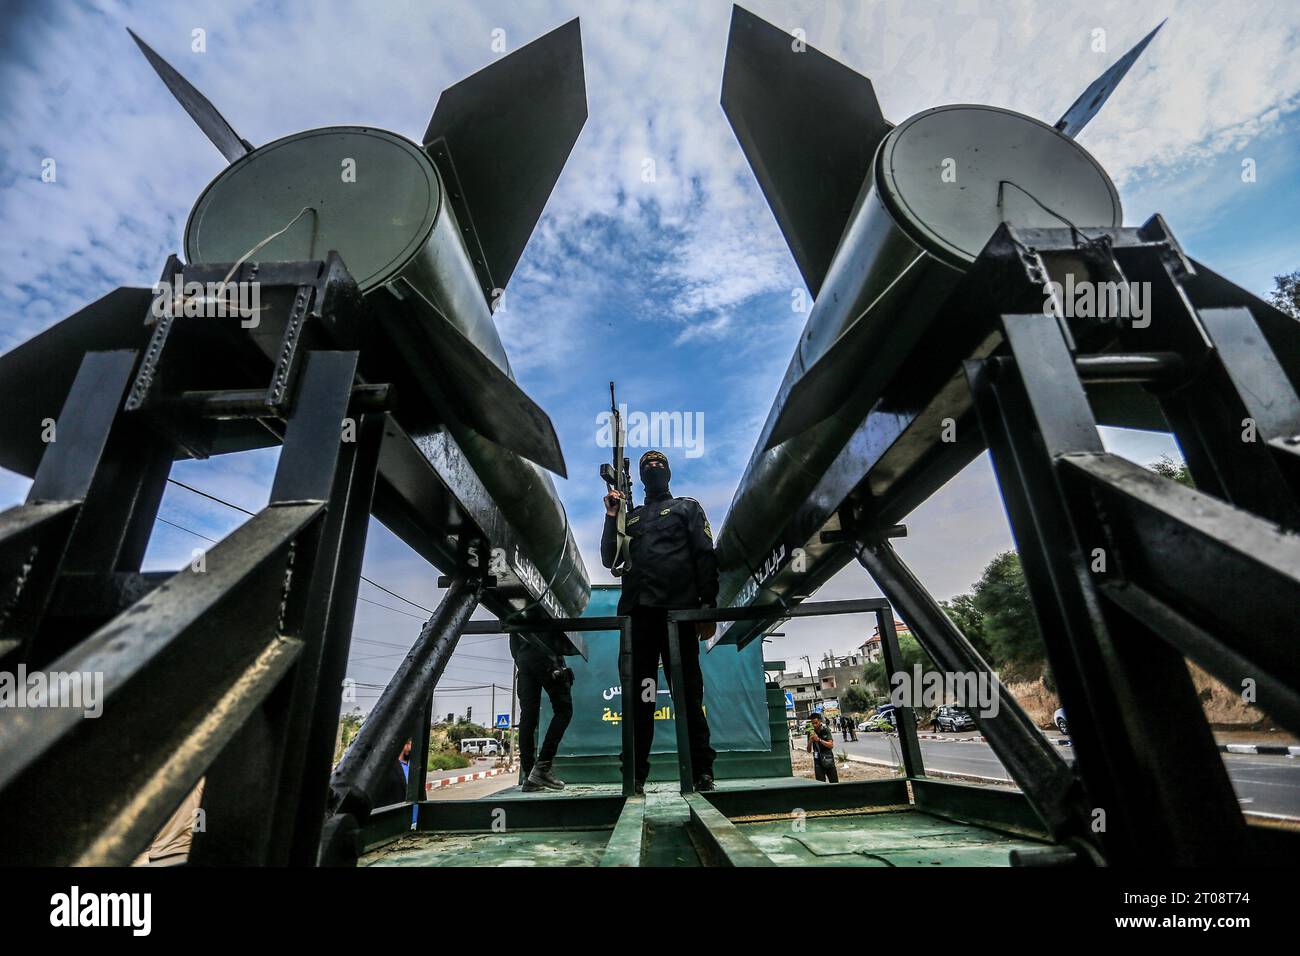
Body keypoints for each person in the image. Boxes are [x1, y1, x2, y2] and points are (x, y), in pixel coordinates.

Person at [601, 449, 718, 794]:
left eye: (659, 463)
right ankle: (634, 776)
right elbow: (610, 557)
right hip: (639, 621)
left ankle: (702, 773)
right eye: (647, 464)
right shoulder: (630, 518)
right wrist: (612, 516)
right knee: (641, 700)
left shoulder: (687, 507)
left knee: (687, 697)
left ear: (668, 472)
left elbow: (704, 554)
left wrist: (707, 606)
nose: (653, 466)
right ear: (639, 476)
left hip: (678, 618)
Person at [511, 631, 574, 791]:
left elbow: (513, 640)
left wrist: (521, 659)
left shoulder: (516, 607)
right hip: (546, 653)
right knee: (564, 710)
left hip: (524, 659)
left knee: (528, 718)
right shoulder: (547, 604)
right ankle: (542, 768)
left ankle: (529, 775)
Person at [808, 713, 838, 783]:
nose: (814, 725)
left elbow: (831, 745)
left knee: (834, 783)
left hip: (828, 760)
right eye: (813, 723)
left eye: (816, 723)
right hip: (818, 762)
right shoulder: (811, 732)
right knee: (820, 784)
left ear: (820, 721)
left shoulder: (826, 730)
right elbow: (808, 750)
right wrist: (810, 741)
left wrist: (819, 740)